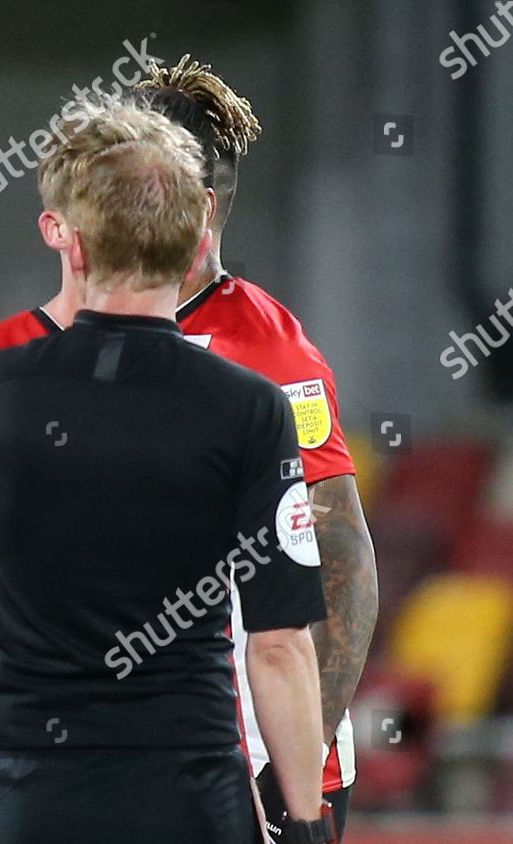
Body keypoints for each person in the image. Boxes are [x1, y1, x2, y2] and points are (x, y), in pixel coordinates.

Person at [0, 100, 336, 844]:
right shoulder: (251, 408)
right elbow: (279, 643)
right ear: (196, 240)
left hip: (32, 789)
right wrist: (306, 823)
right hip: (188, 786)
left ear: (74, 246)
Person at [138, 56, 377, 842]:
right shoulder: (84, 337)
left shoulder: (270, 353)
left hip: (254, 760)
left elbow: (346, 570)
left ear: (200, 205)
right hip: (127, 756)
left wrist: (292, 766)